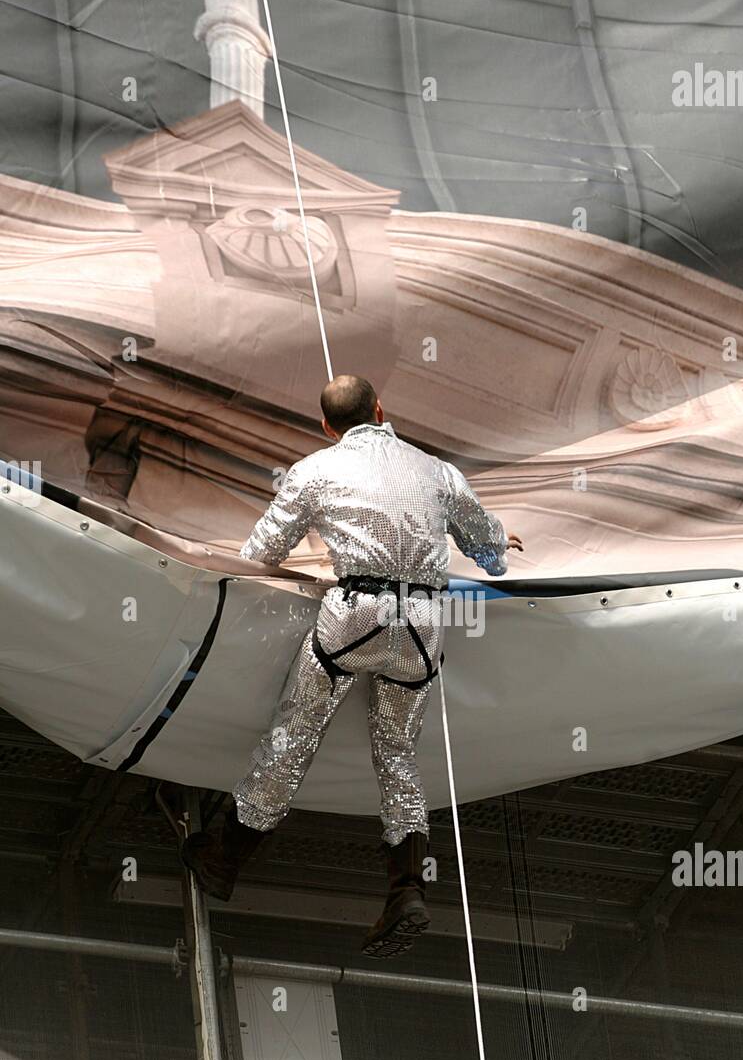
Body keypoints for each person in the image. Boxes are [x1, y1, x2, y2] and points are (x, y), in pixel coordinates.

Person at [182, 375, 522, 957]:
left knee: (295, 737)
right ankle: (406, 888)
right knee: (396, 754)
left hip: (354, 617)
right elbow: (490, 555)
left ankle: (226, 860)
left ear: (326, 426)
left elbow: (260, 552)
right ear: (382, 410)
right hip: (422, 622)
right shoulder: (436, 470)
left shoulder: (313, 470)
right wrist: (498, 544)